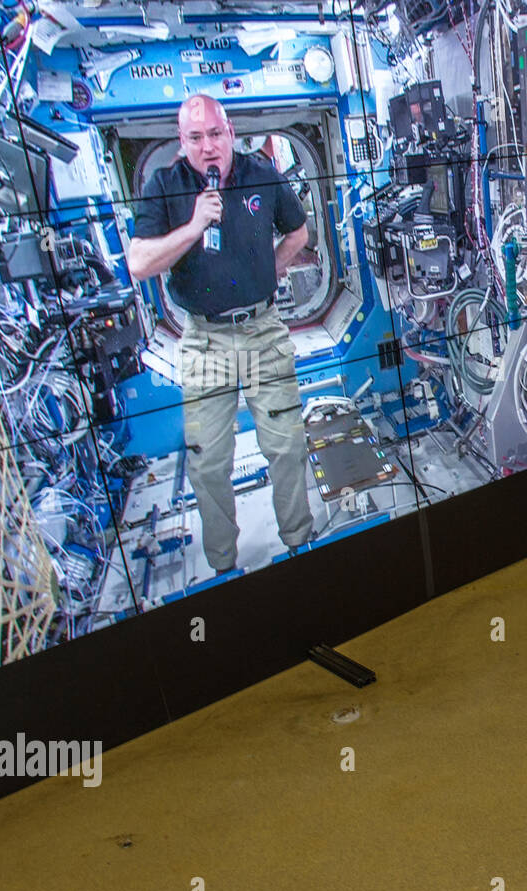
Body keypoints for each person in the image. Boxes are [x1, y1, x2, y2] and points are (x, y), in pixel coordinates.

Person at [127, 94, 312, 574]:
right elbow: (139, 263)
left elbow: (299, 234)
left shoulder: (261, 174)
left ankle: (300, 544)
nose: (208, 146)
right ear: (181, 141)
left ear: (230, 132)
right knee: (207, 462)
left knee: (286, 445)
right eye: (195, 137)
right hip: (204, 339)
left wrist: (269, 270)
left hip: (263, 331)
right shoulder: (163, 186)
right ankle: (224, 570)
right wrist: (194, 226)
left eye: (215, 134)